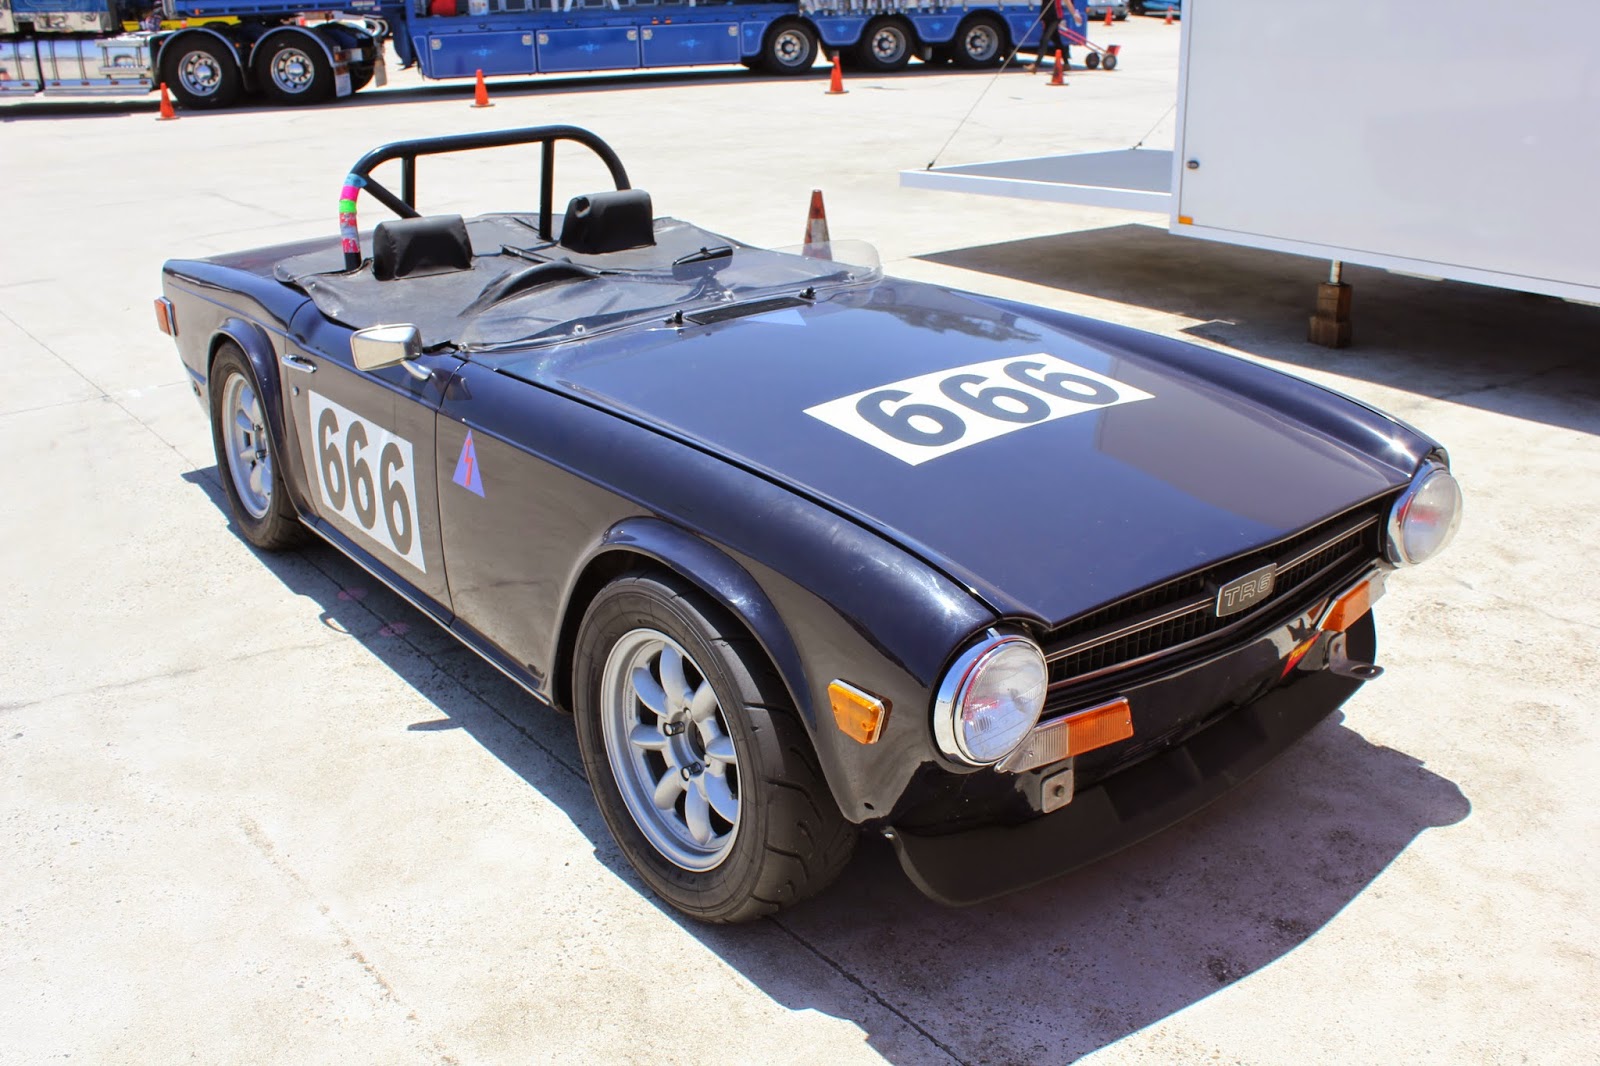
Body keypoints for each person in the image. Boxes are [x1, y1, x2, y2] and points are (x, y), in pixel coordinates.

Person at [1027, 0, 1078, 72]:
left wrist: (1075, 14)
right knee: (1057, 41)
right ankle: (1066, 64)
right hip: (1046, 15)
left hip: (1055, 16)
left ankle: (1036, 65)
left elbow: (1067, 1)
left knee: (1044, 39)